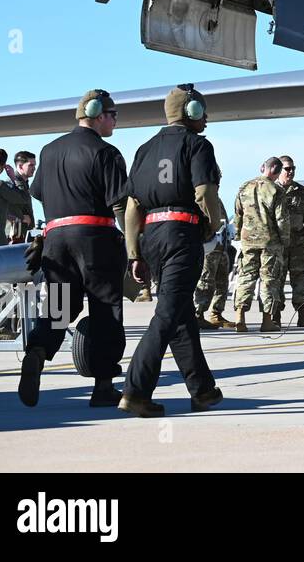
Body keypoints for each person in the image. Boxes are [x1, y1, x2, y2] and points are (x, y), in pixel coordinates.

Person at [18, 90, 129, 408]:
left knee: (58, 306)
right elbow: (119, 203)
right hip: (96, 239)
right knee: (105, 310)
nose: (115, 121)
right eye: (114, 115)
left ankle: (38, 352)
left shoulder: (49, 151)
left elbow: (39, 192)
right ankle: (104, 386)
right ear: (99, 115)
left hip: (54, 239)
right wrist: (134, 243)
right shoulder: (107, 153)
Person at [119, 85, 225, 417]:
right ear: (190, 112)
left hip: (152, 237)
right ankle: (135, 391)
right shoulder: (199, 145)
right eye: (201, 110)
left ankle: (202, 391)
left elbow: (132, 207)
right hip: (182, 235)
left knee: (178, 313)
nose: (206, 117)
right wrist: (212, 224)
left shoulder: (144, 149)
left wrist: (134, 252)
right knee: (166, 316)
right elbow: (205, 192)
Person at [232, 157, 290, 333]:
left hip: (248, 241)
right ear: (277, 171)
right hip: (269, 242)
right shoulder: (276, 190)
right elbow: (281, 220)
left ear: (262, 167)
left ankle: (240, 319)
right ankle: (267, 321)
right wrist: (285, 240)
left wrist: (238, 234)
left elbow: (238, 215)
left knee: (245, 277)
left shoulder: (244, 187)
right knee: (268, 280)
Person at [275, 156, 304, 329]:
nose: (291, 171)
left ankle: (302, 316)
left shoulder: (302, 192)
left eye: (293, 168)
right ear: (279, 170)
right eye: (287, 169)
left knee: (300, 280)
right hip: (278, 244)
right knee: (275, 280)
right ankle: (275, 317)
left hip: (298, 243)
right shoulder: (271, 190)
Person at [194, 198, 233, 329]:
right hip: (208, 245)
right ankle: (198, 314)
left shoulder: (217, 198)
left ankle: (216, 314)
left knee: (222, 282)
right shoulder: (201, 198)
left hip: (221, 245)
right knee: (206, 281)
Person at [5, 150, 37, 243]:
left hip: (24, 234)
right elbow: (3, 209)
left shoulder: (24, 184)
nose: (34, 168)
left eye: (34, 165)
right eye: (31, 165)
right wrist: (21, 218)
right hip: (14, 236)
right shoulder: (10, 184)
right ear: (20, 166)